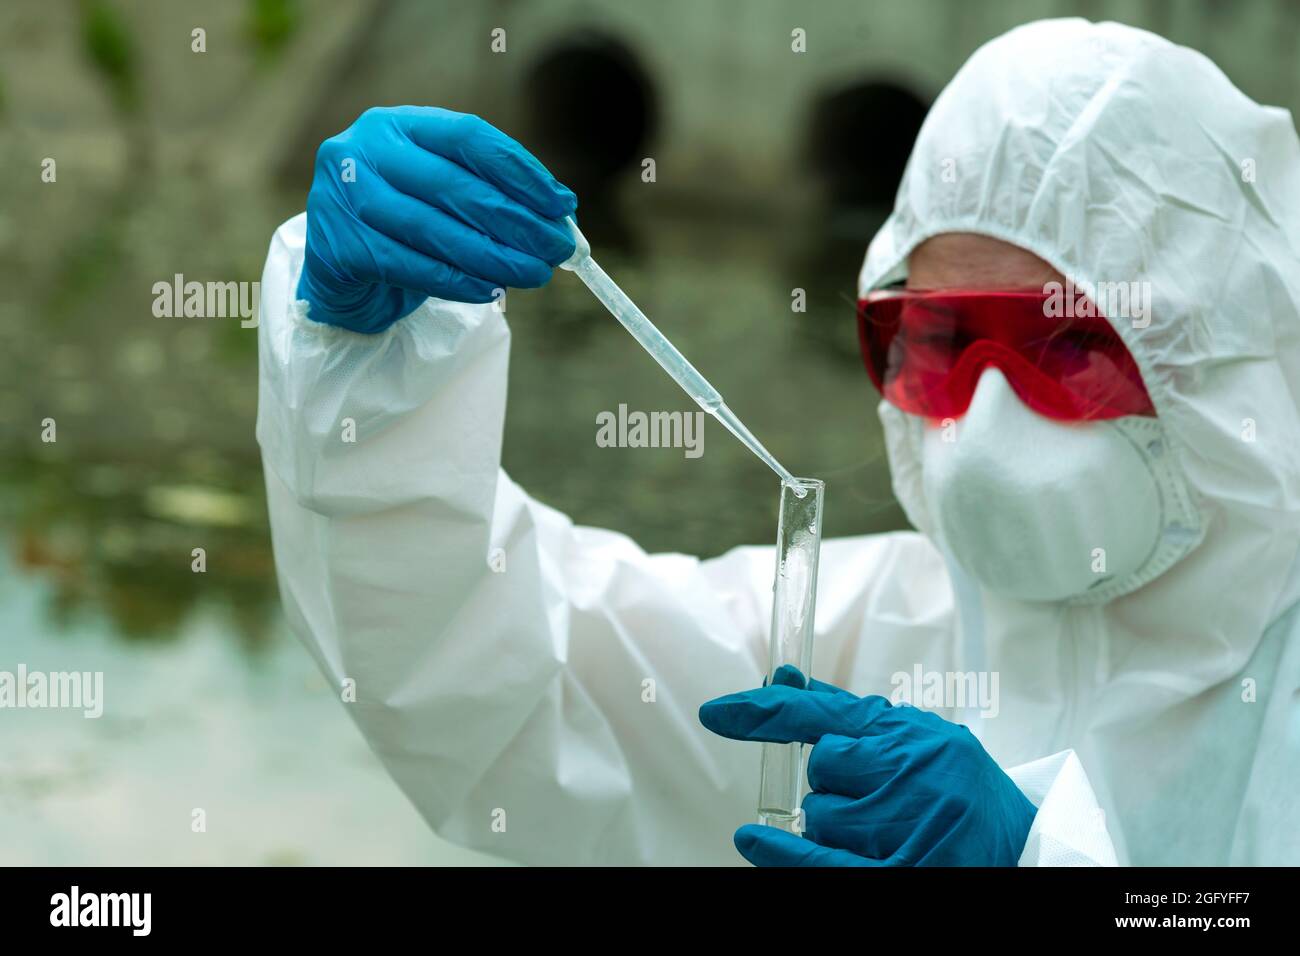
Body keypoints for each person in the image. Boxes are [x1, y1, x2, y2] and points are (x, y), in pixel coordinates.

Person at [255, 18, 1300, 865]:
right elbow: (506, 687)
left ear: (1228, 357)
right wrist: (364, 368)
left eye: (1064, 346)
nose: (986, 424)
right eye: (935, 341)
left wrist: (1039, 860)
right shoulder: (869, 645)